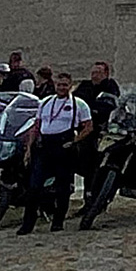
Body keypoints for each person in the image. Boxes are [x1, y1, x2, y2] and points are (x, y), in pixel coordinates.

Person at [17, 70, 92, 235]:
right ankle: (27, 224)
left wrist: (75, 141)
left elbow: (88, 126)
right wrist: (29, 149)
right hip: (44, 145)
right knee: (34, 186)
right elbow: (36, 127)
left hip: (64, 145)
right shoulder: (45, 103)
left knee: (62, 188)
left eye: (65, 85)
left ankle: (58, 222)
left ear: (70, 86)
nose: (62, 88)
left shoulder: (78, 104)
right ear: (55, 85)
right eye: (59, 84)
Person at [75, 61, 123, 182]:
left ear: (106, 74)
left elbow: (109, 105)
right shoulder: (85, 85)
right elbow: (76, 100)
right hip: (81, 125)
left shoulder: (110, 86)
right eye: (93, 72)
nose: (95, 75)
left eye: (98, 72)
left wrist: (92, 108)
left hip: (101, 128)